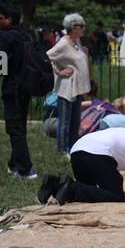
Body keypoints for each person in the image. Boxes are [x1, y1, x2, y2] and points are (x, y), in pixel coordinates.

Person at [37, 125, 125, 205]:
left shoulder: (123, 133)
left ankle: (55, 184)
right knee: (116, 196)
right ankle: (71, 188)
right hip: (97, 154)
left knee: (89, 191)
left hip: (77, 152)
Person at [0, 5, 36, 178]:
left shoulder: (7, 38)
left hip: (12, 89)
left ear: (9, 19)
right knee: (20, 127)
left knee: (14, 129)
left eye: (0, 18)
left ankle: (26, 169)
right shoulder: (26, 36)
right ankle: (13, 165)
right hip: (26, 88)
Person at [47, 12, 91, 154]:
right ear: (73, 27)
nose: (84, 29)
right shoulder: (63, 43)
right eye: (81, 26)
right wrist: (59, 72)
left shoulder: (77, 42)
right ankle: (62, 150)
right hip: (66, 88)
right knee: (64, 122)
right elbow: (47, 57)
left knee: (75, 121)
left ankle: (73, 148)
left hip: (77, 88)